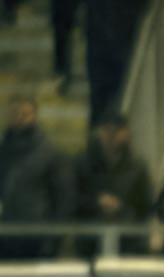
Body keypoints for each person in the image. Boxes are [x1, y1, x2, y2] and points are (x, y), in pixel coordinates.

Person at [0, 95, 73, 258]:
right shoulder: (3, 152)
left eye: (24, 114)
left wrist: (55, 239)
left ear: (34, 116)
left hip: (37, 237)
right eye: (14, 113)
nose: (18, 118)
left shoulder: (50, 153)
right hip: (6, 235)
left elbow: (63, 199)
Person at [73, 112, 152, 222]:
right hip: (91, 232)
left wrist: (122, 209)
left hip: (125, 233)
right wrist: (96, 202)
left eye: (116, 131)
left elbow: (146, 205)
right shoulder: (83, 163)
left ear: (126, 134)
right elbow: (73, 198)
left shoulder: (137, 167)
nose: (111, 137)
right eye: (107, 130)